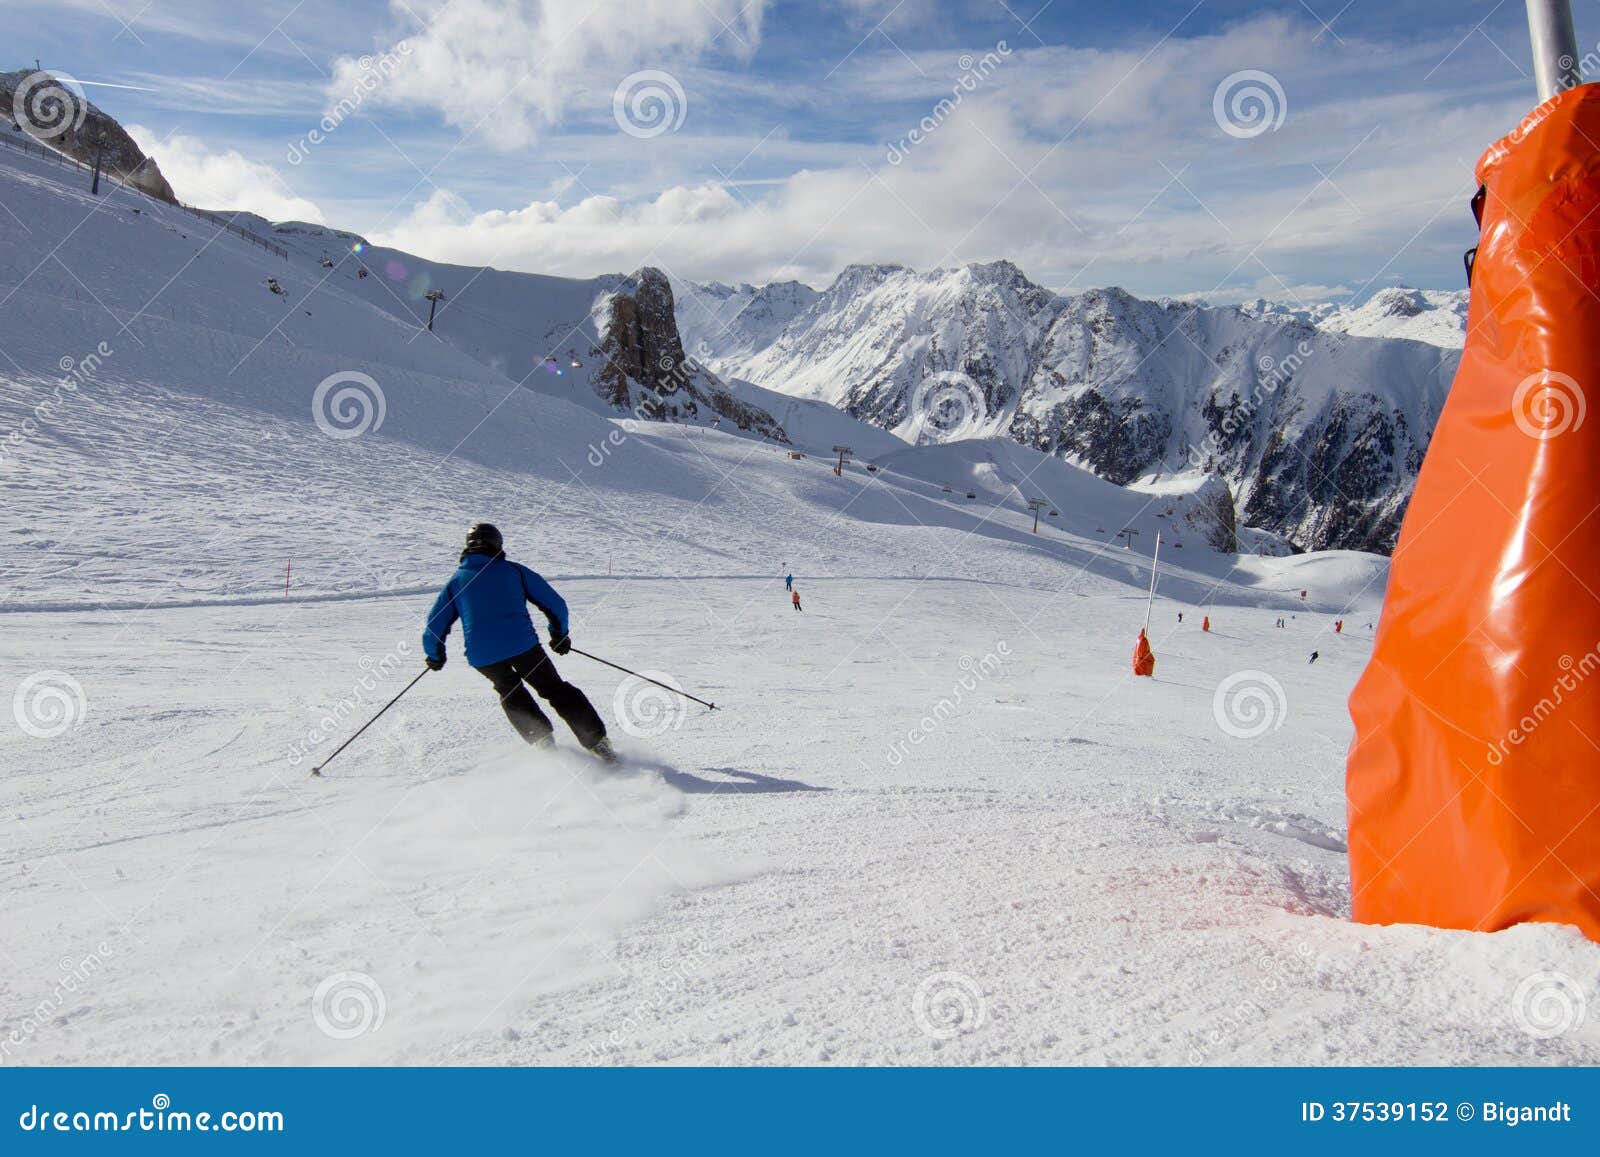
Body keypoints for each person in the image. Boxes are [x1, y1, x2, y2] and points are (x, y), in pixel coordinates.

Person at [423, 523, 617, 762]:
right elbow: (555, 604)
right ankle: (597, 742)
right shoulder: (514, 571)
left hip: (483, 657)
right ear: (497, 544)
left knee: (509, 690)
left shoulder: (456, 582)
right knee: (554, 689)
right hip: (523, 647)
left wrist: (435, 656)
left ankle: (542, 740)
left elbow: (434, 625)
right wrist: (559, 635)